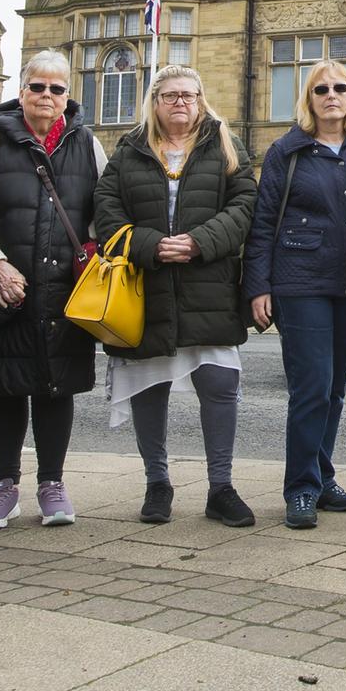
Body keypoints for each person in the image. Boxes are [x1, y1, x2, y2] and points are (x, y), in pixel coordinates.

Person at [93, 64, 260, 528]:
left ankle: (221, 487)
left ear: (201, 99)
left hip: (209, 285)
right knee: (150, 386)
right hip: (148, 288)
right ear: (155, 101)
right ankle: (157, 483)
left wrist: (198, 242)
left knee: (219, 386)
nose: (180, 103)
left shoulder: (225, 143)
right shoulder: (128, 149)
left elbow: (245, 204)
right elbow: (105, 212)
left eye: (189, 95)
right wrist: (150, 246)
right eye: (170, 95)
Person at [0, 50, 110, 530]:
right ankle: (4, 486)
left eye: (57, 88)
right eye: (37, 87)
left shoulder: (87, 144)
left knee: (56, 387)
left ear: (69, 96)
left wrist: (91, 252)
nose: (47, 96)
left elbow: (102, 209)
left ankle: (53, 484)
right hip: (9, 290)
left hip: (66, 290)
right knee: (6, 386)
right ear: (22, 90)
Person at [244, 59, 346, 528]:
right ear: (309, 98)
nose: (332, 95)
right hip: (299, 280)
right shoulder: (285, 152)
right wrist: (259, 286)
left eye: (341, 88)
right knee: (309, 389)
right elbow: (263, 222)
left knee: (334, 391)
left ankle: (323, 478)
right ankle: (301, 489)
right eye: (322, 89)